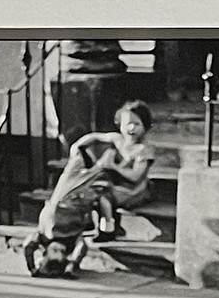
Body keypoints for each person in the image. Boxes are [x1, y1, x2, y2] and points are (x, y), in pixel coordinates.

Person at [26, 100, 156, 278]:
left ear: (146, 127)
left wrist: (112, 167)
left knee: (103, 194)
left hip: (135, 189)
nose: (131, 128)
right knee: (96, 191)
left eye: (137, 124)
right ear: (120, 124)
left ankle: (108, 229)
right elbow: (95, 137)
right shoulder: (117, 139)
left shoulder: (143, 150)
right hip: (116, 184)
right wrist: (77, 145)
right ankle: (107, 225)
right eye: (128, 124)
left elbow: (135, 177)